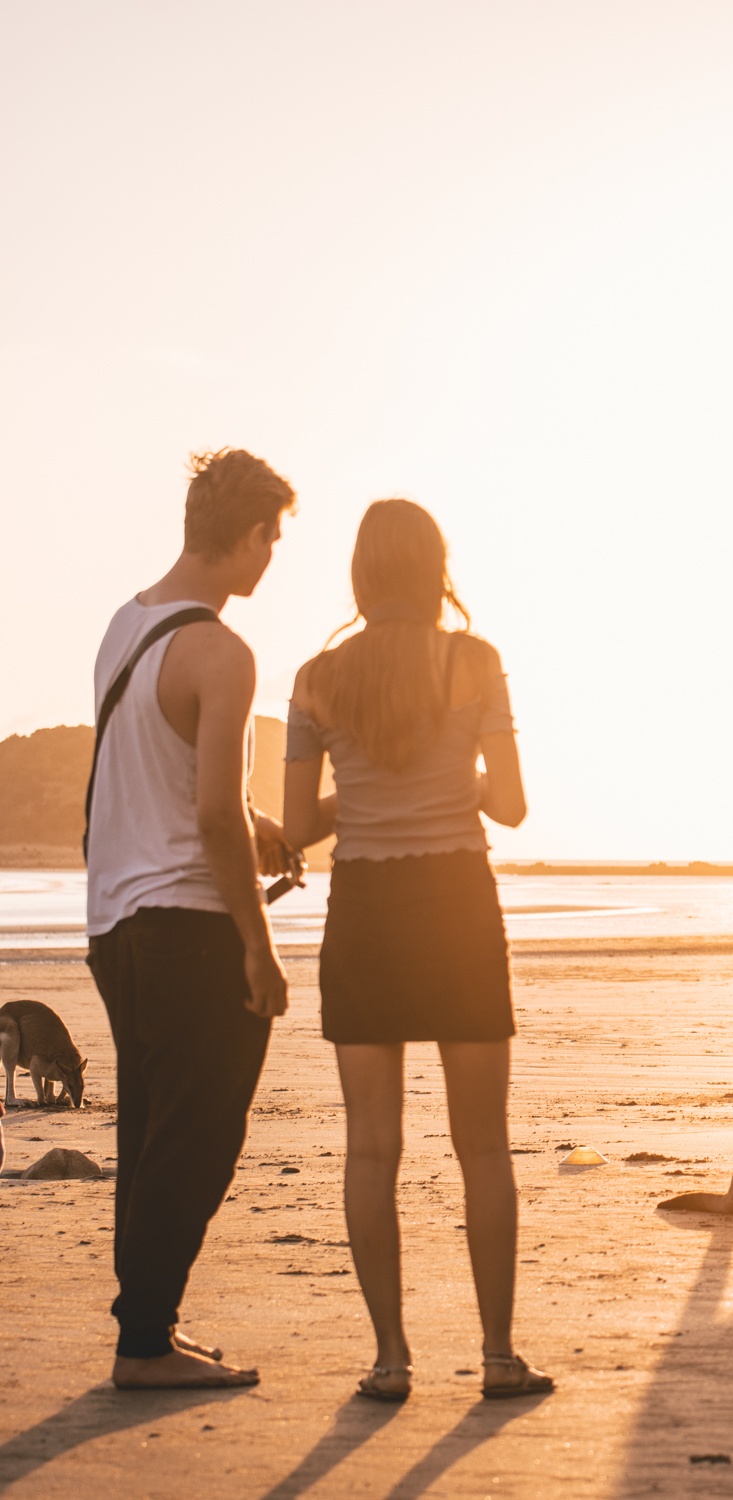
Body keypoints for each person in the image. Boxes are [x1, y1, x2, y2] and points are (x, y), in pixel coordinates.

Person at [282, 498, 551, 1401]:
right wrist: (453, 771)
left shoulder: (316, 679)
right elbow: (508, 805)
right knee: (483, 1147)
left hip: (365, 910)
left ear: (360, 572)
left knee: (371, 1149)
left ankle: (390, 1360)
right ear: (435, 567)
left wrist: (363, 791)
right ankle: (500, 1357)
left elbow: (293, 828)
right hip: (457, 905)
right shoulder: (473, 661)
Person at [85, 449, 297, 1390]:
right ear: (250, 534)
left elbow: (168, 778)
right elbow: (209, 819)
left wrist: (254, 820)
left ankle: (147, 1329)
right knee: (201, 1132)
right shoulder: (222, 650)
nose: (273, 558)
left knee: (152, 1127)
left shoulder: (125, 627)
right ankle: (144, 1344)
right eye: (275, 538)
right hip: (190, 922)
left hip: (116, 923)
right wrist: (260, 948)